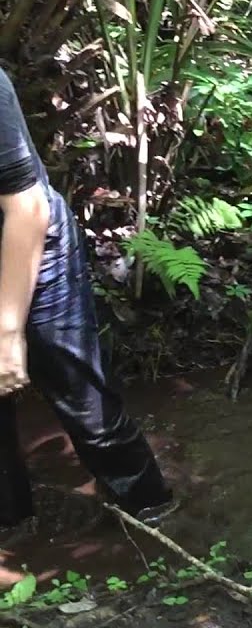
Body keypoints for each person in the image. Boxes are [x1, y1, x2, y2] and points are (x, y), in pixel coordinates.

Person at [0, 67, 175, 542]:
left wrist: (8, 333)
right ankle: (16, 531)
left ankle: (155, 517)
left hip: (35, 247)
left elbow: (27, 208)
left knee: (85, 406)